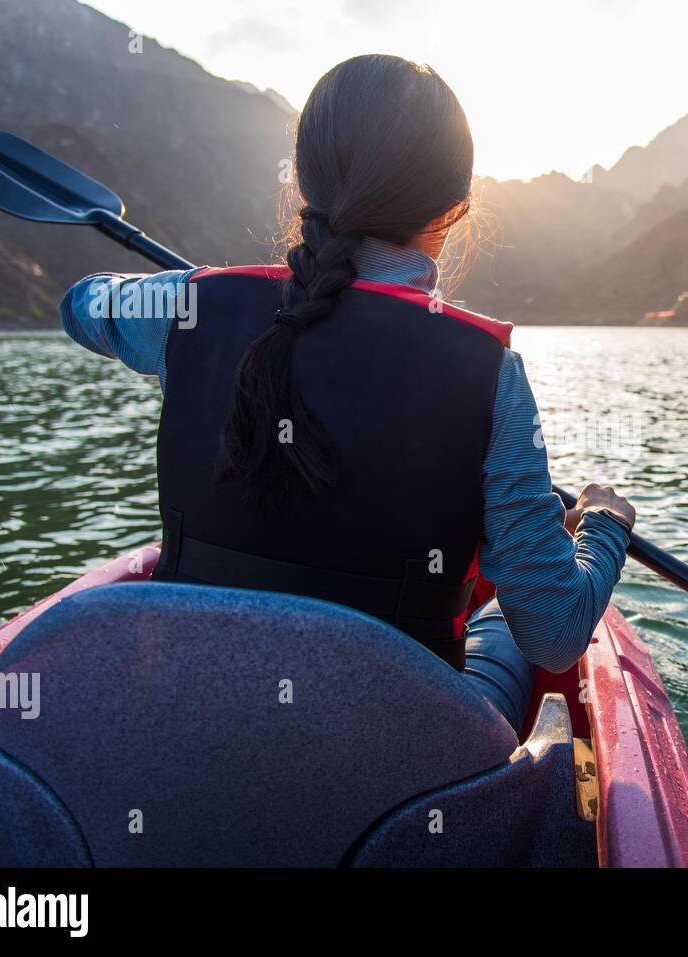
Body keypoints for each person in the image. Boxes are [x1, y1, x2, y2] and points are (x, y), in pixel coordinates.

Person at [55, 54, 635, 733]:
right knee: (506, 621)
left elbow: (81, 305)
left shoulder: (189, 306)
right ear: (454, 210)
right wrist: (603, 526)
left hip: (192, 723)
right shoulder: (490, 372)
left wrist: (197, 291)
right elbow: (557, 633)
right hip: (393, 770)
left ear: (305, 181)